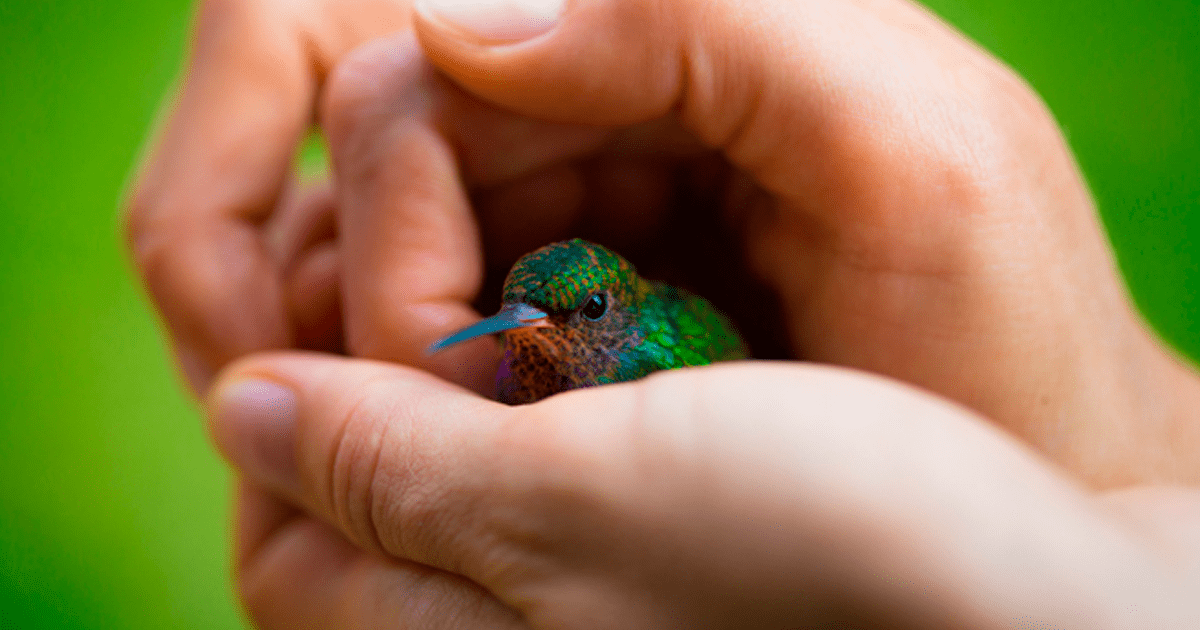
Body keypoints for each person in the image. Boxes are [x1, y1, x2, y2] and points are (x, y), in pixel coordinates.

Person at [125, 0, 1200, 626]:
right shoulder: (530, 353)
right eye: (509, 314)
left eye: (567, 313)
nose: (521, 334)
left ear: (616, 314)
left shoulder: (656, 357)